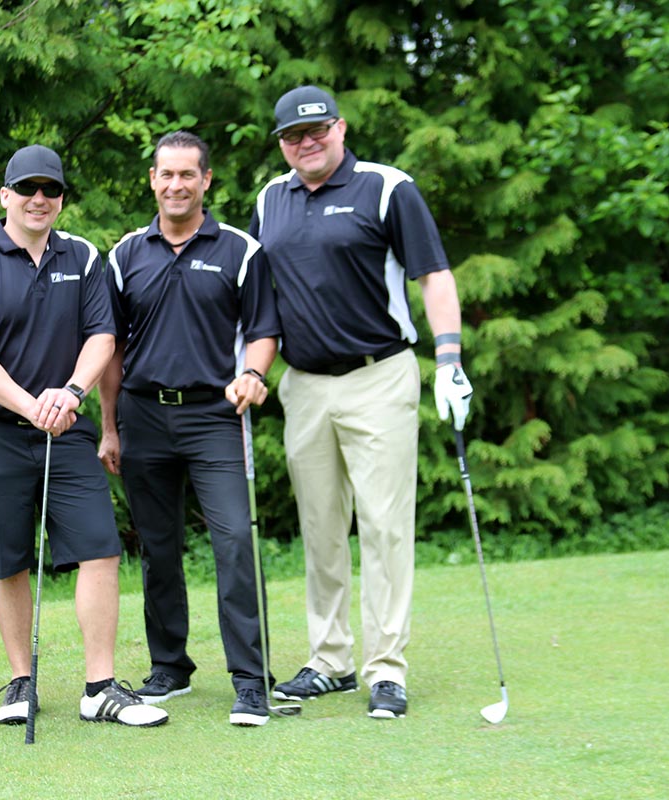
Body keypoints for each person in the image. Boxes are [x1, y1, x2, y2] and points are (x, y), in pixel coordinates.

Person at [250, 86, 474, 719]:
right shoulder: (270, 199)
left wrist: (450, 360)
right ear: (282, 144)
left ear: (341, 128)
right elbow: (256, 296)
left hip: (380, 376)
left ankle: (386, 668)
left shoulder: (386, 187)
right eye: (293, 136)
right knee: (321, 527)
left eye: (317, 130)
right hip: (304, 384)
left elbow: (434, 275)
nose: (307, 143)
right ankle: (330, 661)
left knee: (383, 525)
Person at [0, 144, 167, 729]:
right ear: (5, 196)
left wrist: (70, 392)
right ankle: (22, 680)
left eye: (50, 190)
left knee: (100, 547)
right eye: (27, 189)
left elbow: (102, 336)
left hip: (66, 428)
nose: (38, 199)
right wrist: (30, 405)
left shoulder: (84, 256)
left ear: (61, 199)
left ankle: (100, 687)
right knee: (6, 559)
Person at [98, 131, 281, 726]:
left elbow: (263, 330)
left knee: (234, 542)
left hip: (214, 417)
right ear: (152, 180)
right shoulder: (126, 254)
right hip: (143, 415)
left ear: (206, 180)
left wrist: (253, 373)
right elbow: (110, 348)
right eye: (166, 174)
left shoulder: (240, 250)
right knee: (158, 548)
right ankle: (170, 666)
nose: (176, 185)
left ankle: (250, 680)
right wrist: (109, 427)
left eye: (187, 175)